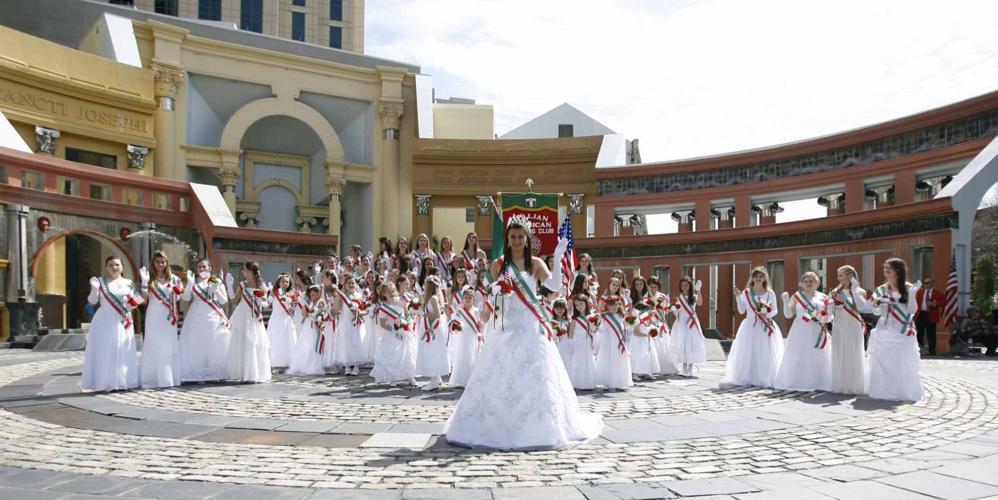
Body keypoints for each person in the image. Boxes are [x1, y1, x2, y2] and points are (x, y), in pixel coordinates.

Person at [444, 217, 602, 450]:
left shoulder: (536, 263)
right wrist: (496, 291)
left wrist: (558, 257)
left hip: (530, 325)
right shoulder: (498, 264)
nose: (517, 241)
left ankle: (540, 426)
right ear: (507, 240)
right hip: (507, 327)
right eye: (513, 237)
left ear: (527, 239)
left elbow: (554, 287)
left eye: (521, 237)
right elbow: (489, 293)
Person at [82, 256, 142, 391]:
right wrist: (94, 289)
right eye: (111, 265)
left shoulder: (129, 282)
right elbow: (92, 301)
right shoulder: (101, 282)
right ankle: (105, 382)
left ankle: (123, 381)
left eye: (117, 265)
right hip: (105, 319)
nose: (114, 267)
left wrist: (132, 303)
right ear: (106, 268)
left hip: (123, 319)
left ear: (122, 267)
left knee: (122, 348)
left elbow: (136, 301)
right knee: (106, 349)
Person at [868, 258, 923, 402]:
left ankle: (902, 391)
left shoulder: (909, 287)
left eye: (889, 269)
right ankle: (884, 390)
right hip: (885, 327)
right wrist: (880, 306)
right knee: (883, 360)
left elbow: (912, 310)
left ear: (898, 271)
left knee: (902, 361)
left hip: (902, 328)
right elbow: (875, 312)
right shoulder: (880, 289)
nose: (886, 271)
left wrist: (912, 294)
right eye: (885, 268)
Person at [721, 266, 784, 388]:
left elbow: (775, 310)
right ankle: (748, 376)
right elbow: (741, 310)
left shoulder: (770, 293)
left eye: (761, 276)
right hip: (750, 325)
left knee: (764, 352)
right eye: (756, 276)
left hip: (765, 325)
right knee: (749, 351)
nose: (758, 278)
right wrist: (738, 297)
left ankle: (763, 377)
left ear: (764, 278)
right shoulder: (747, 292)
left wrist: (766, 313)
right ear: (752, 278)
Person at [774, 272, 833, 392]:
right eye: (805, 281)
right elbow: (788, 314)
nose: (808, 283)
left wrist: (824, 318)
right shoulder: (797, 296)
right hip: (800, 330)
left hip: (817, 330)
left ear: (817, 282)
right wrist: (785, 301)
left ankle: (820, 381)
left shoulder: (824, 297)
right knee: (800, 354)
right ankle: (799, 381)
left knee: (819, 355)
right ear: (802, 283)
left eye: (811, 281)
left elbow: (829, 316)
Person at [179, 259, 230, 382]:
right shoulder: (194, 281)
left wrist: (216, 288)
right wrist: (190, 283)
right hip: (196, 316)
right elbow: (186, 298)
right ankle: (198, 372)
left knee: (214, 343)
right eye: (199, 267)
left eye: (204, 267)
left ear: (210, 268)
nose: (202, 269)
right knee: (197, 343)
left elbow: (224, 301)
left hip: (213, 316)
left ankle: (215, 373)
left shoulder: (216, 281)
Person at [138, 251, 182, 388]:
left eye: (163, 262)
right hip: (154, 314)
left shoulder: (174, 278)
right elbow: (144, 299)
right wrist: (144, 283)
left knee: (168, 345)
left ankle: (168, 377)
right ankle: (151, 378)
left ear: (166, 263)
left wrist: (177, 292)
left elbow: (179, 297)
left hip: (169, 316)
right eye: (157, 262)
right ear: (153, 263)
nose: (160, 264)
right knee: (154, 343)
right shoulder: (149, 278)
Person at [225, 261, 272, 383]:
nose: (243, 272)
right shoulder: (242, 285)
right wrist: (229, 286)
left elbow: (266, 303)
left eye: (244, 269)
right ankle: (243, 373)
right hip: (243, 316)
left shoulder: (261, 285)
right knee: (243, 342)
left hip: (255, 317)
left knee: (254, 343)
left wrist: (262, 302)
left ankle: (255, 373)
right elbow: (234, 300)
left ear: (250, 271)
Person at [829, 265, 871, 394]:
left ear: (849, 276)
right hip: (839, 323)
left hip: (852, 323)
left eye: (841, 275)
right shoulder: (836, 291)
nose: (838, 278)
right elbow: (830, 309)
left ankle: (853, 385)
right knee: (839, 351)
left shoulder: (859, 291)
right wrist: (832, 306)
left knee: (852, 350)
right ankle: (840, 384)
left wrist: (853, 292)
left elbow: (861, 307)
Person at [371, 281, 418, 386]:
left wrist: (407, 323)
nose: (391, 294)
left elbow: (407, 314)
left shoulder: (400, 302)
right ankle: (393, 377)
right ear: (383, 294)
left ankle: (410, 376)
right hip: (391, 333)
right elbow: (383, 324)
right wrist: (395, 329)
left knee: (407, 354)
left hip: (404, 331)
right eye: (388, 292)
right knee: (393, 355)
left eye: (393, 291)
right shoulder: (383, 307)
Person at [416, 275, 450, 390]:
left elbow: (437, 315)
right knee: (431, 352)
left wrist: (423, 314)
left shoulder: (433, 298)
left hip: (432, 328)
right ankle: (437, 377)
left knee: (432, 352)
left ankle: (434, 381)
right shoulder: (429, 298)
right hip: (428, 326)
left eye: (426, 285)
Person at [331, 274, 369, 376]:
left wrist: (360, 313)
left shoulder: (360, 296)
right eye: (348, 283)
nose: (351, 285)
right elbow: (335, 310)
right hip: (345, 322)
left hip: (356, 323)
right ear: (344, 285)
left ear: (356, 284)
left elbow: (366, 310)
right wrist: (337, 298)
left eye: (353, 283)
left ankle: (356, 366)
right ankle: (347, 366)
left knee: (357, 343)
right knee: (346, 343)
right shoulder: (342, 296)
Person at [448, 285, 485, 387]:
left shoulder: (477, 310)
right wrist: (456, 325)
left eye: (470, 298)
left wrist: (480, 325)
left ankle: (472, 379)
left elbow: (480, 324)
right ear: (463, 298)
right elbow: (456, 320)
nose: (468, 300)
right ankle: (463, 379)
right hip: (464, 336)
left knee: (473, 356)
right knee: (464, 356)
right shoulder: (460, 310)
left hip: (473, 336)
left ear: (473, 299)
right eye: (466, 298)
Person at [287, 285, 326, 376]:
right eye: (312, 295)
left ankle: (315, 365)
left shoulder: (321, 302)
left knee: (315, 344)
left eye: (317, 295)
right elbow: (305, 315)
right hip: (308, 325)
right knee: (306, 344)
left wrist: (316, 315)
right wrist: (305, 309)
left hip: (317, 325)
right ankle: (304, 364)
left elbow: (321, 312)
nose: (315, 297)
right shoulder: (310, 303)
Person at [671, 276, 706, 377]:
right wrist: (673, 309)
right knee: (683, 343)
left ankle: (690, 368)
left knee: (691, 344)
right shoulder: (679, 298)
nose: (684, 287)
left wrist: (698, 291)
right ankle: (684, 367)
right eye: (682, 286)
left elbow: (700, 303)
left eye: (686, 285)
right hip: (681, 323)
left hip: (691, 323)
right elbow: (677, 313)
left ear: (689, 286)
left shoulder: (694, 297)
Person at [645, 277, 678, 376]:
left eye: (655, 287)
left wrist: (670, 308)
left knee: (664, 343)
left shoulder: (662, 296)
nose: (653, 289)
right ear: (648, 287)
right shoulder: (645, 297)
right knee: (653, 344)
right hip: (651, 322)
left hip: (661, 322)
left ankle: (664, 366)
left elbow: (666, 310)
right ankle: (652, 366)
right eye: (651, 287)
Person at [266, 273, 298, 371]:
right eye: (283, 281)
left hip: (286, 320)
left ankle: (287, 363)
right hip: (276, 319)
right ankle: (274, 363)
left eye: (287, 282)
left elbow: (293, 309)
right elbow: (268, 303)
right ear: (279, 282)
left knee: (287, 341)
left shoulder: (292, 294)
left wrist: (290, 306)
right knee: (276, 341)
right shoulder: (275, 291)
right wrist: (269, 293)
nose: (285, 283)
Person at [566, 294, 597, 390]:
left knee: (588, 360)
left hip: (587, 341)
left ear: (586, 304)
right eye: (577, 305)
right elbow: (571, 331)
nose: (579, 307)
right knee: (578, 360)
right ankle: (577, 383)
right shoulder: (575, 318)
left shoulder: (591, 316)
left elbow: (594, 330)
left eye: (581, 304)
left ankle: (588, 383)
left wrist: (594, 326)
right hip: (577, 342)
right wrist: (571, 342)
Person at [915, 277, 944, 355]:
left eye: (928, 283)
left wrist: (935, 303)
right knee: (919, 332)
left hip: (931, 314)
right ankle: (919, 348)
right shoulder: (920, 292)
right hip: (920, 314)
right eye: (925, 283)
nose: (926, 285)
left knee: (931, 333)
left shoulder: (937, 293)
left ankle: (932, 350)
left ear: (932, 283)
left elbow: (944, 302)